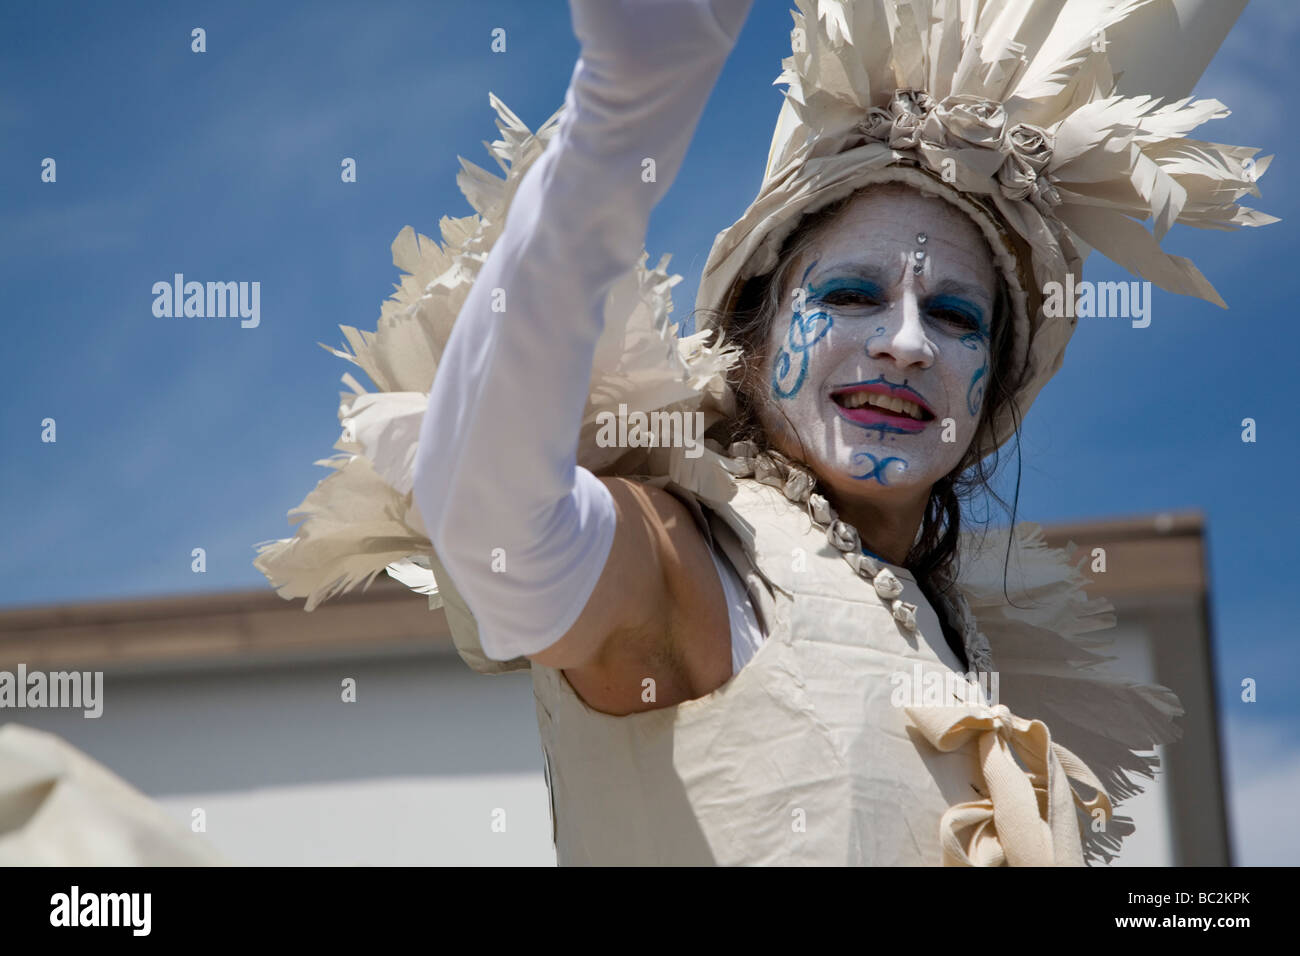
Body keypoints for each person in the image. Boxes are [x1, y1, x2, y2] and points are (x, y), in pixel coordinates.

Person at [256, 0, 1275, 866]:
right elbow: (492, 520)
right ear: (753, 334)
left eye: (957, 316)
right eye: (850, 293)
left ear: (990, 392)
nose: (908, 344)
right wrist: (625, 108)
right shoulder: (696, 557)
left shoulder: (955, 645)